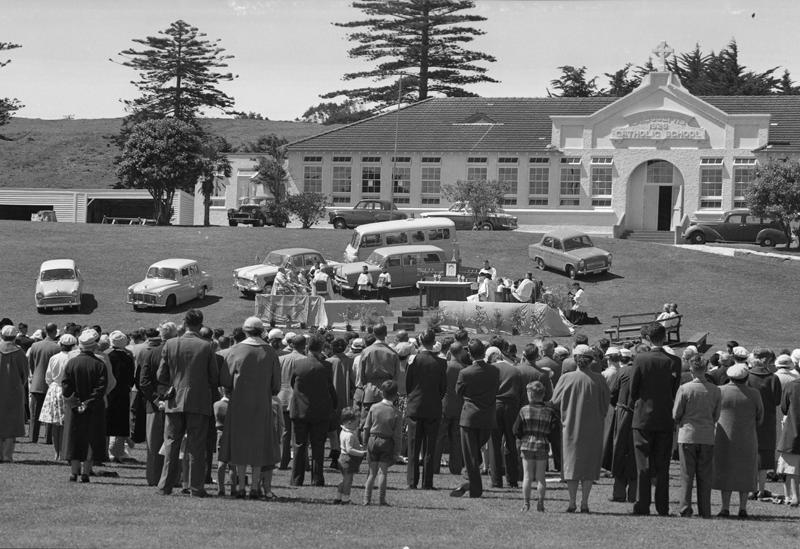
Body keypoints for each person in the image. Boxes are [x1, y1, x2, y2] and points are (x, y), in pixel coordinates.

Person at [156, 310, 219, 497]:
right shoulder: (206, 346)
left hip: (175, 399)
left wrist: (172, 383)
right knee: (196, 446)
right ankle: (196, 487)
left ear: (184, 323)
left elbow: (161, 375)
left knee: (171, 444)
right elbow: (214, 377)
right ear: (201, 324)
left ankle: (165, 486)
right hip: (198, 400)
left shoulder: (171, 343)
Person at [219, 317, 281, 499]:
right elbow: (276, 385)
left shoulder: (235, 350)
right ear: (261, 331)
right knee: (259, 444)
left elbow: (225, 380)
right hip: (262, 404)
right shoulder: (270, 352)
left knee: (239, 444)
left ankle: (240, 486)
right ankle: (254, 487)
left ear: (245, 331)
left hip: (239, 404)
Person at [629, 323, 681, 516]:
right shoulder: (674, 361)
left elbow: (633, 389)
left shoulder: (641, 359)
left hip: (643, 415)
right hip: (665, 415)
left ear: (648, 339)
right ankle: (662, 506)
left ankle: (642, 504)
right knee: (663, 465)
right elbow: (674, 389)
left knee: (643, 464)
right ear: (664, 337)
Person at [551, 344, 610, 513]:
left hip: (570, 427)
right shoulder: (599, 379)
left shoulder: (566, 378)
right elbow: (605, 404)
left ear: (575, 359)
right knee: (589, 465)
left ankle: (572, 502)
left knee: (571, 464)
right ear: (592, 360)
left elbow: (555, 402)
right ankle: (584, 502)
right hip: (593, 427)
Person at [672, 355, 721, 518]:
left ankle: (685, 508)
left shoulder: (685, 388)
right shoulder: (715, 390)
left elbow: (676, 413)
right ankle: (705, 510)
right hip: (707, 436)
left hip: (687, 435)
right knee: (705, 475)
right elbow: (716, 415)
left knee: (687, 474)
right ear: (706, 369)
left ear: (691, 369)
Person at [450, 339, 500, 499]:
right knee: (474, 454)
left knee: (470, 454)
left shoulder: (465, 373)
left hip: (469, 418)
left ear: (470, 354)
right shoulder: (495, 371)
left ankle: (473, 488)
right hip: (487, 417)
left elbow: (458, 392)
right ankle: (469, 482)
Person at [713, 362, 764, 518]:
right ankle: (742, 508)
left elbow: (713, 413)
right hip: (747, 437)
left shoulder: (719, 391)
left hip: (723, 437)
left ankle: (725, 507)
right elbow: (760, 417)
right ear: (746, 377)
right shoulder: (754, 394)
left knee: (725, 470)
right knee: (746, 471)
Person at [289, 335, 338, 487]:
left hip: (300, 409)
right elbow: (330, 388)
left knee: (299, 445)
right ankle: (317, 479)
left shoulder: (298, 364)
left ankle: (296, 479)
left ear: (307, 347)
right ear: (321, 348)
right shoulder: (326, 366)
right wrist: (334, 405)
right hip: (320, 411)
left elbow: (293, 383)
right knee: (318, 446)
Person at [61, 330, 108, 482]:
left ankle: (74, 472)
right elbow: (101, 388)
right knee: (90, 438)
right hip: (93, 408)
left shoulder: (71, 363)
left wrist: (76, 403)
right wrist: (87, 403)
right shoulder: (99, 364)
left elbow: (66, 387)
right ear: (94, 347)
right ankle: (86, 472)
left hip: (74, 408)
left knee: (74, 438)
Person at [405, 329, 447, 490]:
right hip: (433, 407)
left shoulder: (413, 360)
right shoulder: (441, 362)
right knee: (430, 447)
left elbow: (408, 384)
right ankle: (427, 482)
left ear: (421, 341)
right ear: (434, 341)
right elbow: (443, 387)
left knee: (413, 446)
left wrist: (413, 398)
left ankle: (412, 481)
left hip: (415, 406)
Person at [514, 381, 558, 512]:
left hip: (527, 445)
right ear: (543, 395)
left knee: (527, 476)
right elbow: (554, 431)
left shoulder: (523, 410)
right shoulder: (549, 412)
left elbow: (516, 430)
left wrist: (522, 437)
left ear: (530, 395)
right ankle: (540, 503)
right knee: (541, 477)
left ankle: (526, 503)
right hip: (542, 445)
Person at [603, 345, 638, 503]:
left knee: (619, 451)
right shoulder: (644, 372)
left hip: (623, 415)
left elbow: (612, 395)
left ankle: (619, 492)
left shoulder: (623, 372)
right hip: (639, 415)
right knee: (636, 454)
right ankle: (634, 493)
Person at [746, 353, 782, 500]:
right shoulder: (773, 378)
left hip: (750, 419)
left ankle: (751, 489)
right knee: (765, 456)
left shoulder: (747, 377)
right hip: (768, 420)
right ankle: (761, 489)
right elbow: (778, 400)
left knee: (751, 454)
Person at [486, 345, 523, 489]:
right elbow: (521, 392)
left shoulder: (491, 370)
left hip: (495, 406)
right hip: (512, 406)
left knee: (494, 443)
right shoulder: (515, 370)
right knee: (511, 442)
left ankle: (496, 480)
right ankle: (512, 479)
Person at [138, 325, 169, 486]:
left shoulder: (150, 353)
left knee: (153, 445)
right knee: (172, 443)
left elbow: (143, 382)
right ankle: (171, 477)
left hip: (153, 405)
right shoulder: (175, 352)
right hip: (173, 403)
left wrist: (156, 400)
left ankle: (153, 477)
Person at [363, 380, 403, 506]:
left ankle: (366, 499)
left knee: (371, 472)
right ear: (396, 395)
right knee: (382, 472)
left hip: (372, 440)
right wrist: (397, 451)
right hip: (386, 442)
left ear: (382, 393)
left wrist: (365, 443)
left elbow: (366, 427)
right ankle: (381, 499)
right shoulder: (396, 412)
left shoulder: (374, 407)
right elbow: (397, 435)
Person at [39, 334, 78, 461]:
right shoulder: (74, 358)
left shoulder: (54, 358)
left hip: (55, 389)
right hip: (70, 390)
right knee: (68, 424)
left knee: (56, 425)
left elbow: (48, 377)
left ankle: (57, 452)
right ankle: (65, 451)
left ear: (61, 344)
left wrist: (53, 386)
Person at [435, 341, 467, 476]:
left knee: (439, 438)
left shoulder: (444, 366)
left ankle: (434, 466)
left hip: (444, 405)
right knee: (456, 439)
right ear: (461, 352)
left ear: (449, 351)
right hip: (459, 406)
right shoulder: (464, 369)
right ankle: (456, 467)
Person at [358, 324, 400, 427]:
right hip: (388, 392)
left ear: (373, 333)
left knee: (366, 424)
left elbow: (361, 376)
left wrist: (366, 386)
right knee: (387, 425)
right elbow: (396, 377)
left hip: (370, 391)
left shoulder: (366, 351)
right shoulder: (393, 353)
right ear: (386, 334)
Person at [27, 323, 60, 444]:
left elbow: (31, 364)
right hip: (50, 384)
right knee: (50, 413)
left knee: (34, 413)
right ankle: (48, 438)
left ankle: (33, 437)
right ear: (55, 331)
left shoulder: (35, 345)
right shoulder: (57, 347)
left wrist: (35, 374)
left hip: (36, 382)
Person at [106, 331, 135, 462]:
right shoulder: (128, 357)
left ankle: (105, 451)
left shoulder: (107, 356)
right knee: (121, 423)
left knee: (107, 422)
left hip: (109, 392)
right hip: (123, 392)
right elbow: (131, 377)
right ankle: (117, 452)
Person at [0, 325, 28, 462]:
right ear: (15, 336)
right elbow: (25, 374)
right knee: (11, 422)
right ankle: (7, 455)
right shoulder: (19, 352)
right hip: (14, 391)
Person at [334, 407, 367, 505]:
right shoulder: (349, 435)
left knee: (344, 479)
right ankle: (345, 499)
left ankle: (338, 497)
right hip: (348, 459)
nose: (358, 425)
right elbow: (349, 449)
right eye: (356, 423)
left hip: (342, 458)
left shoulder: (343, 432)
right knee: (348, 481)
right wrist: (361, 453)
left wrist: (358, 446)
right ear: (349, 423)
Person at [777, 376, 800, 508]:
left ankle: (795, 496)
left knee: (793, 467)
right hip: (793, 429)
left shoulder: (791, 386)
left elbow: (784, 408)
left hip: (794, 429)